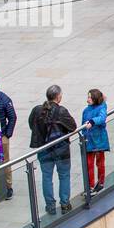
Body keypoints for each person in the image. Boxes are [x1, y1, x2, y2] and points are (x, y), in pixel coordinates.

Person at [27, 85, 77, 216]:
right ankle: (65, 204)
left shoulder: (37, 110)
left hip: (44, 149)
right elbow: (73, 127)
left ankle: (50, 206)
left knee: (47, 177)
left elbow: (31, 123)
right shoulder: (62, 111)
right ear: (58, 97)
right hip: (61, 149)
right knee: (64, 175)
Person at [80, 88, 109, 193]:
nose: (87, 99)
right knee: (89, 164)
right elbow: (83, 125)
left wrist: (92, 122)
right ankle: (91, 186)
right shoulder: (86, 110)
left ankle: (100, 183)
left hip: (98, 140)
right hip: (88, 140)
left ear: (95, 98)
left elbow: (102, 118)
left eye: (89, 97)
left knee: (100, 162)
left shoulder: (101, 108)